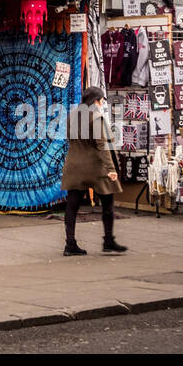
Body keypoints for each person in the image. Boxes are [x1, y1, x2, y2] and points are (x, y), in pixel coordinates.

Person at [60, 87, 126, 256]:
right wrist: (111, 169)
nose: (103, 103)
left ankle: (70, 243)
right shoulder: (96, 117)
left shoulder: (72, 116)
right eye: (102, 100)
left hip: (74, 165)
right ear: (96, 101)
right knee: (107, 202)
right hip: (96, 167)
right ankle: (108, 240)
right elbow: (103, 146)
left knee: (72, 205)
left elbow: (69, 138)